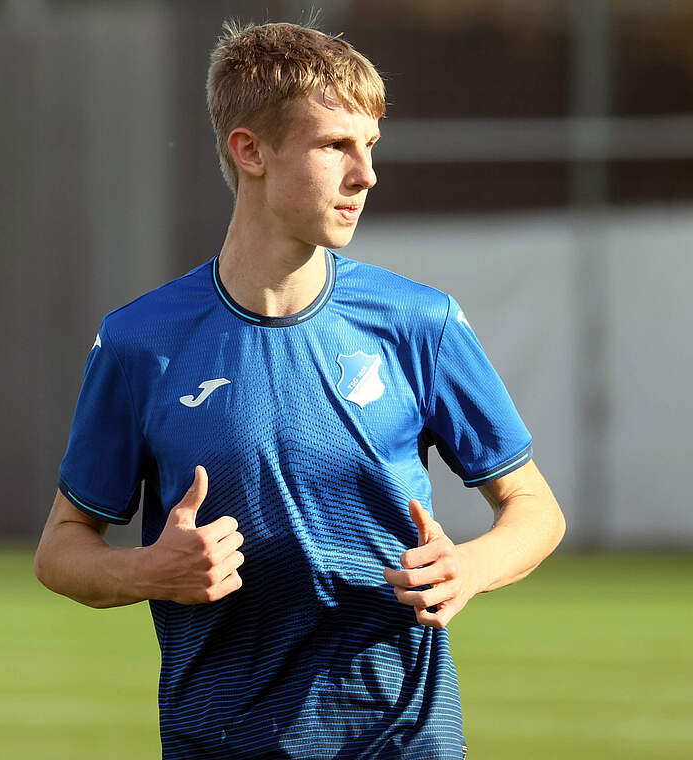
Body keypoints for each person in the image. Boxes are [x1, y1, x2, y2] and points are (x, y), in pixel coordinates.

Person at [34, 20, 565, 760]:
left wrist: (469, 566)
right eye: (335, 146)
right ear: (249, 150)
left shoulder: (420, 322)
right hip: (219, 743)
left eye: (370, 146)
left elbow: (535, 508)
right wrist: (148, 569)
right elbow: (61, 549)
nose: (366, 174)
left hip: (402, 741)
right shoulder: (140, 343)